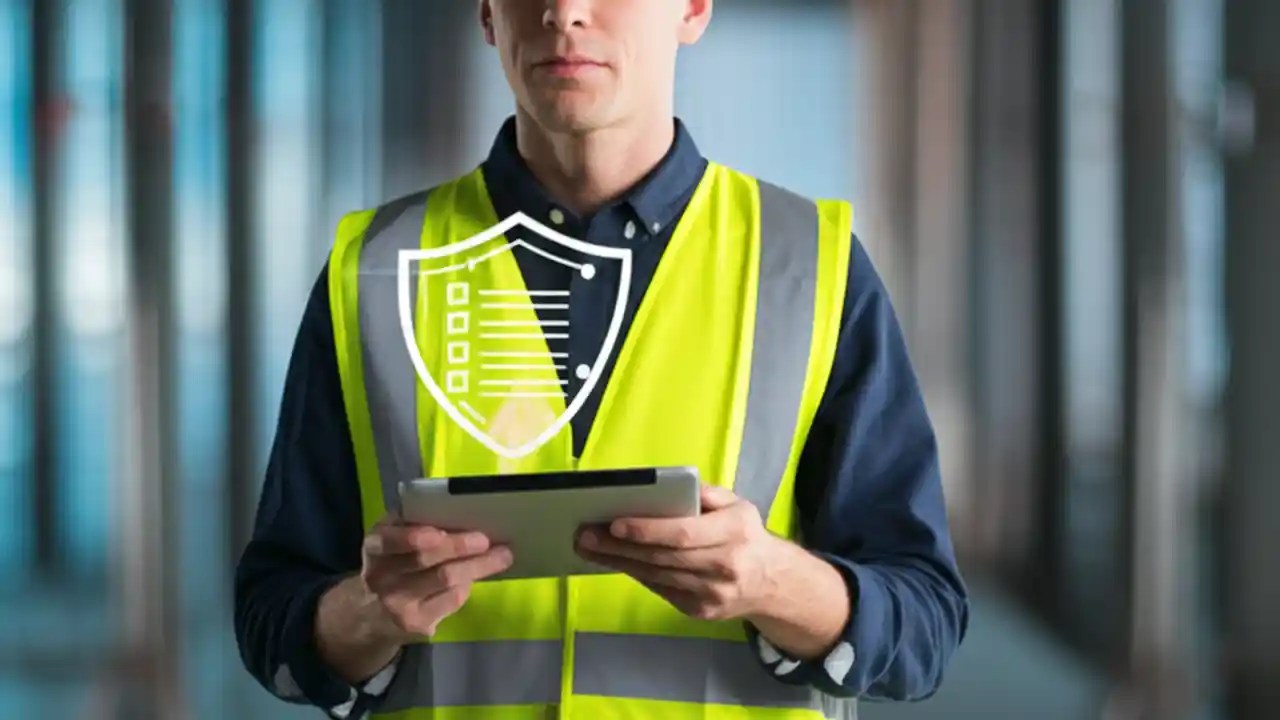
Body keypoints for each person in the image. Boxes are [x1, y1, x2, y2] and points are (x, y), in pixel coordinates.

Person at [235, 1, 969, 718]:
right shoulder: (378, 268)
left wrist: (772, 582)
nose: (564, 12)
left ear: (693, 9)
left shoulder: (809, 265)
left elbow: (924, 629)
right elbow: (273, 622)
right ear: (488, 14)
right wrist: (370, 613)